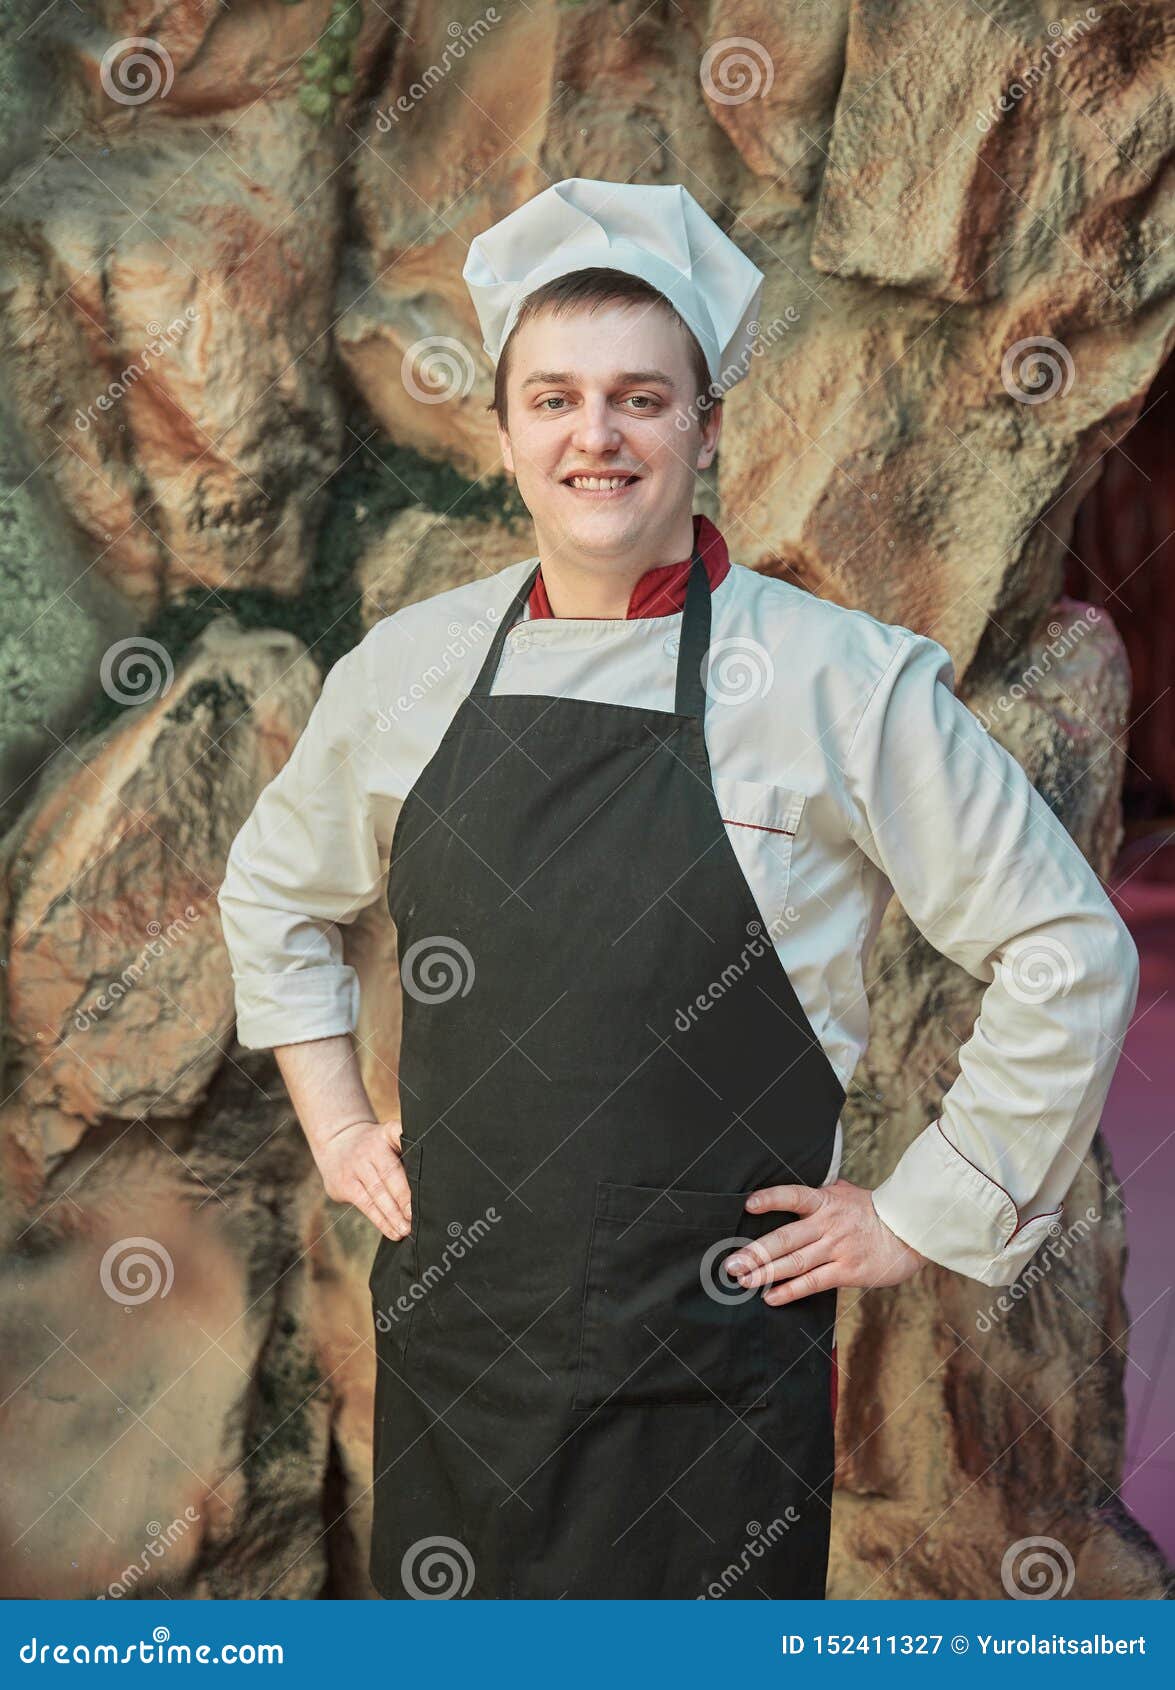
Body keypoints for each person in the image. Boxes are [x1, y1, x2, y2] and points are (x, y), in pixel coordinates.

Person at [217, 178, 1140, 1600]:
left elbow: (1070, 947)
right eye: (558, 398)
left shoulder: (840, 680)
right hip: (467, 1357)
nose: (598, 435)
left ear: (707, 430)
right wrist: (338, 1123)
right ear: (508, 433)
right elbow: (275, 891)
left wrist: (917, 1211)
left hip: (708, 1379)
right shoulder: (406, 671)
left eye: (643, 399)